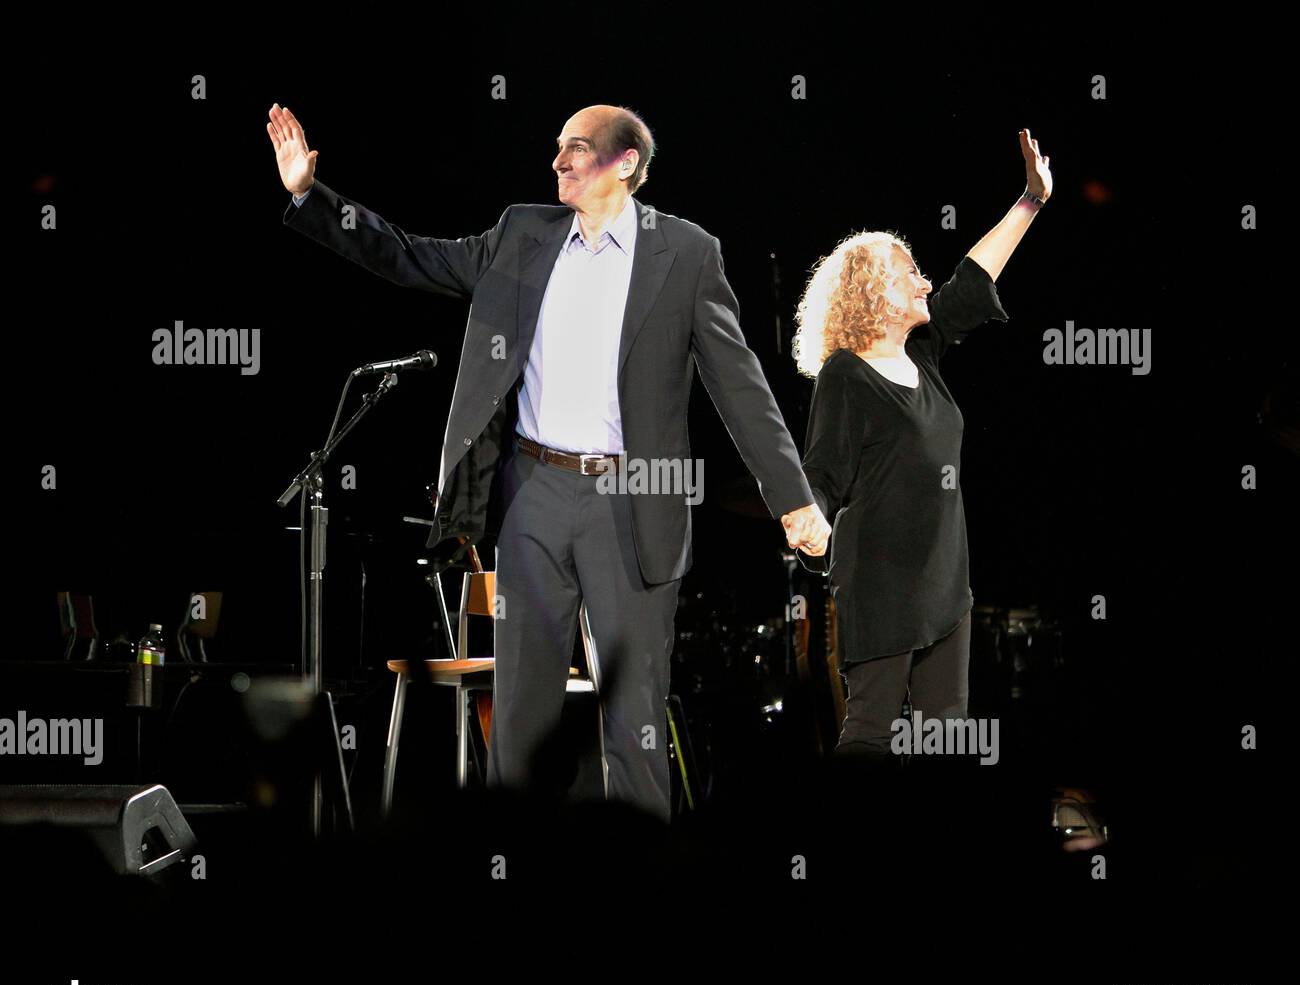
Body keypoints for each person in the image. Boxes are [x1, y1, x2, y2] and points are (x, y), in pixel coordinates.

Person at [266, 102, 831, 820]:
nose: (559, 160)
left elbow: (740, 385)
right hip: (533, 493)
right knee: (520, 717)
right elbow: (410, 256)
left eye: (578, 147)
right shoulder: (522, 234)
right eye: (559, 147)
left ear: (625, 163)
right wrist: (311, 196)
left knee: (634, 715)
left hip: (631, 501)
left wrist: (793, 498)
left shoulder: (686, 253)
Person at [793, 129, 1052, 760]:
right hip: (879, 577)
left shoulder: (925, 356)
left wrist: (1030, 201)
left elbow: (972, 279)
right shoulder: (846, 374)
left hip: (945, 578)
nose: (925, 282)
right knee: (871, 734)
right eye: (910, 272)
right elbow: (822, 473)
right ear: (872, 289)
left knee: (946, 739)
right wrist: (809, 521)